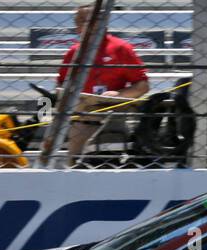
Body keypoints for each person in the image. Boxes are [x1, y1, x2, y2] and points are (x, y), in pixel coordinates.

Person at [56, 3, 149, 161]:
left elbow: (143, 86)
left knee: (107, 165)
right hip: (81, 121)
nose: (78, 26)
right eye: (77, 21)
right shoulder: (74, 52)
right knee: (75, 169)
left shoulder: (121, 49)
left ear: (100, 22)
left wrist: (118, 94)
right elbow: (60, 87)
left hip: (111, 121)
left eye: (83, 21)